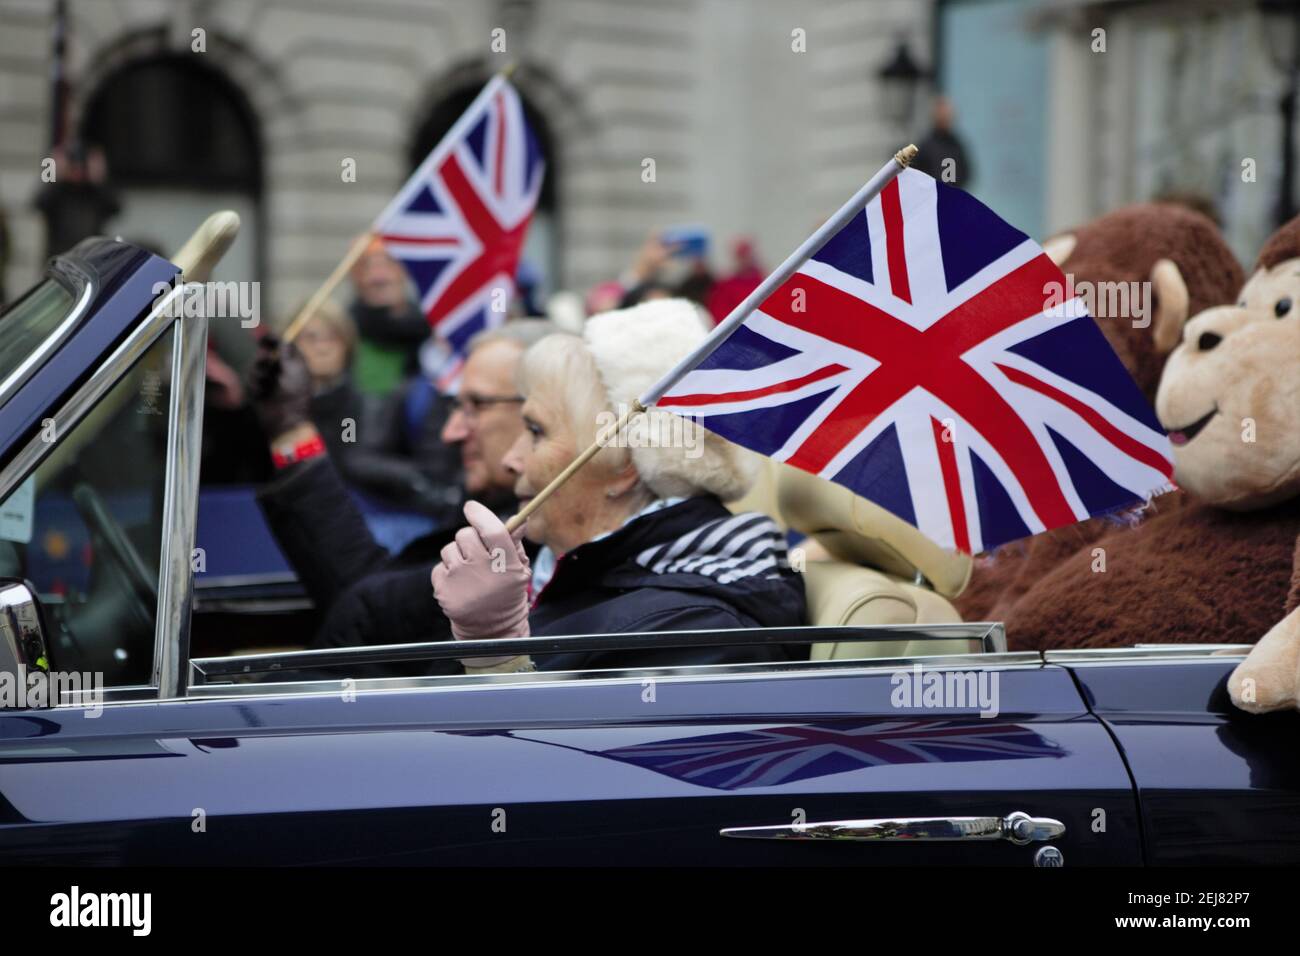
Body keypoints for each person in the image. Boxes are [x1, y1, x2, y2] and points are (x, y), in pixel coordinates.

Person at [431, 298, 806, 674]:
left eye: (535, 431)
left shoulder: (691, 628)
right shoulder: (570, 569)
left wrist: (494, 650)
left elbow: (546, 733)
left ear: (625, 465)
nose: (511, 460)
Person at [248, 320, 556, 653]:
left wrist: (292, 430)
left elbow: (368, 614)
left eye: (476, 406)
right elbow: (373, 597)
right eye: (456, 406)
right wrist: (290, 430)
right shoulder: (495, 513)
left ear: (542, 416)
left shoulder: (534, 548)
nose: (450, 433)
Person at [347, 236, 430, 395]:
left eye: (389, 264)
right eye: (367, 266)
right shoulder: (345, 336)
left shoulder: (432, 333)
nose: (379, 276)